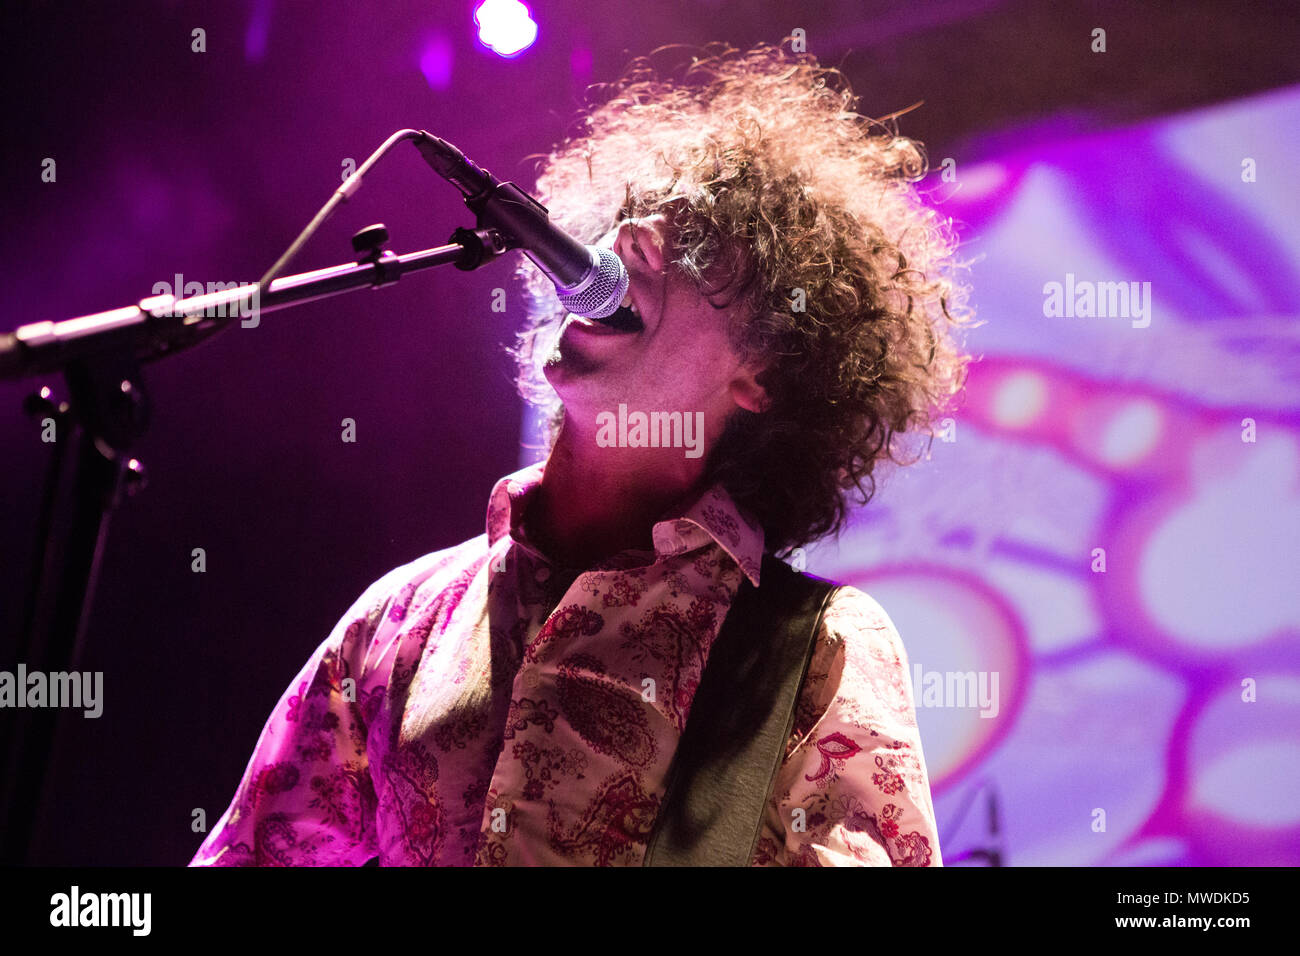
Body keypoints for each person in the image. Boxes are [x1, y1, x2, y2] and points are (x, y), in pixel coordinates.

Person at [191, 37, 974, 867]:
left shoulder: (812, 649)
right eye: (638, 214)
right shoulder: (401, 620)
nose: (634, 234)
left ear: (764, 374)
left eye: (700, 246)